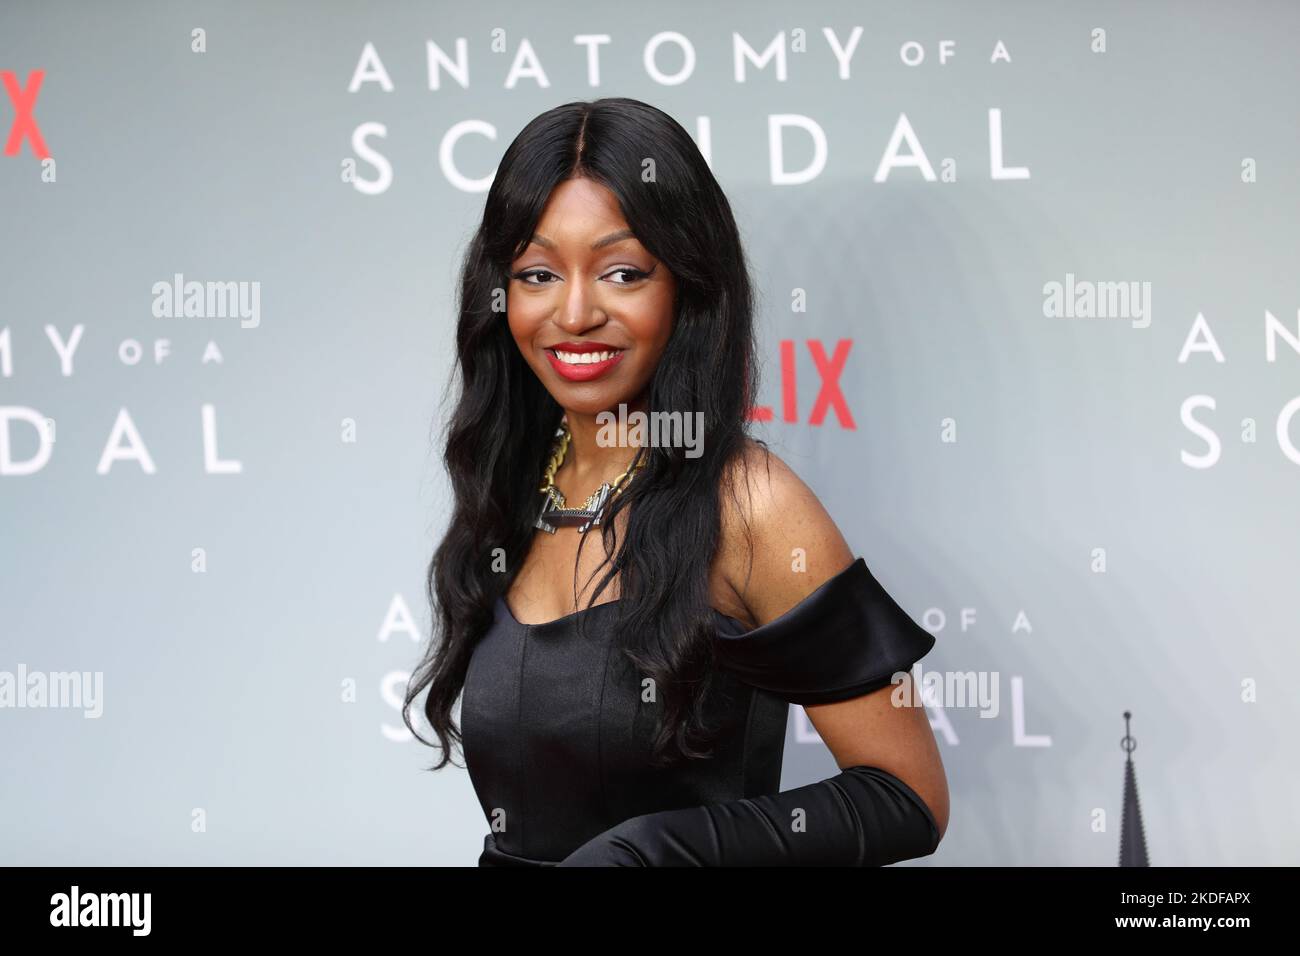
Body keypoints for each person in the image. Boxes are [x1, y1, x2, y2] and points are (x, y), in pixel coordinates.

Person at [403, 97, 949, 866]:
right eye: (536, 272)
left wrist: (657, 851)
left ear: (687, 287)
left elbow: (908, 796)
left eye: (623, 271)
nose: (576, 311)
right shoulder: (514, 490)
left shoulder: (749, 503)